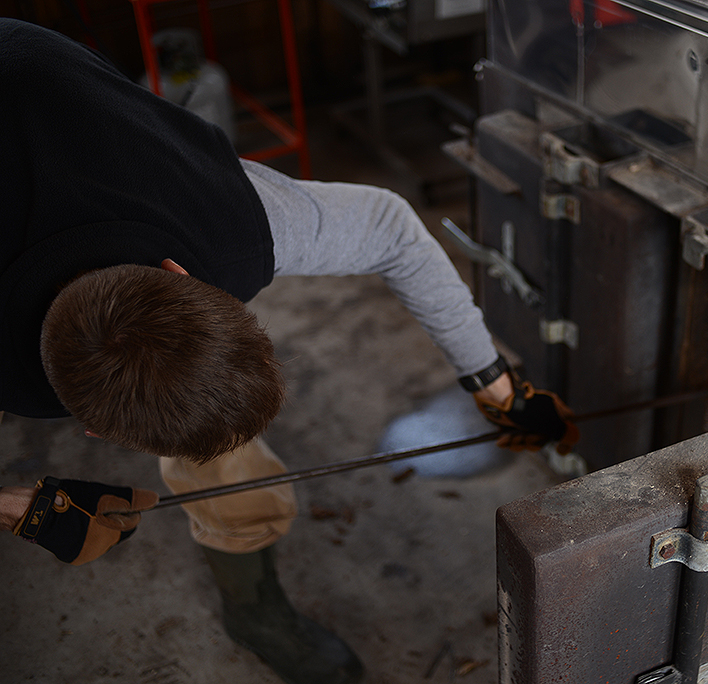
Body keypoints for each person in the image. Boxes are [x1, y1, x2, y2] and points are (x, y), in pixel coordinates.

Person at [0, 18, 578, 684]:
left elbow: (392, 228)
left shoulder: (227, 218)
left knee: (216, 434)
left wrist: (496, 386)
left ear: (181, 273)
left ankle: (250, 605)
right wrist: (23, 506)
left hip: (46, 75)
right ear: (90, 427)